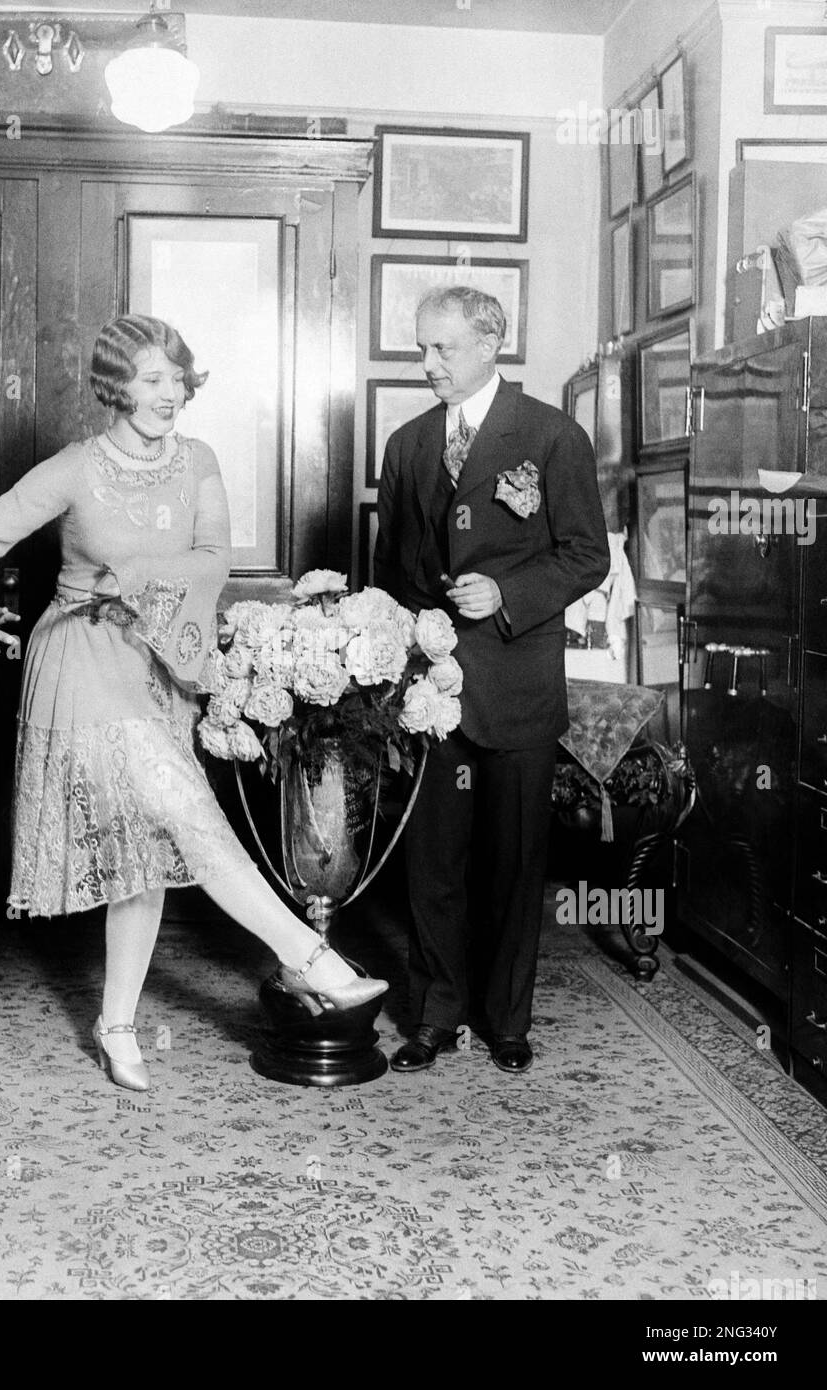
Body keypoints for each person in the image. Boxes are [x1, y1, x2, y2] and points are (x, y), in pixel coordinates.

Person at [0, 314, 387, 1091]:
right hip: (81, 660)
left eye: (178, 377)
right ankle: (310, 958)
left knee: (145, 855)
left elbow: (214, 557)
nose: (171, 392)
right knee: (183, 812)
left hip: (160, 662)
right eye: (152, 379)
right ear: (116, 387)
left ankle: (116, 1028)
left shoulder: (199, 460)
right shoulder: (76, 468)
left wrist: (131, 577)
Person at [374, 287, 609, 1076]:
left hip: (517, 688)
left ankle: (507, 1020)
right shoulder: (407, 445)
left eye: (441, 348)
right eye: (422, 348)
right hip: (433, 694)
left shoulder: (551, 436)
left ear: (490, 343)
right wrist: (406, 658)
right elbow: (393, 575)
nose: (427, 363)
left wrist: (509, 594)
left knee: (514, 866)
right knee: (431, 866)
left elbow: (587, 556)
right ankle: (436, 1015)